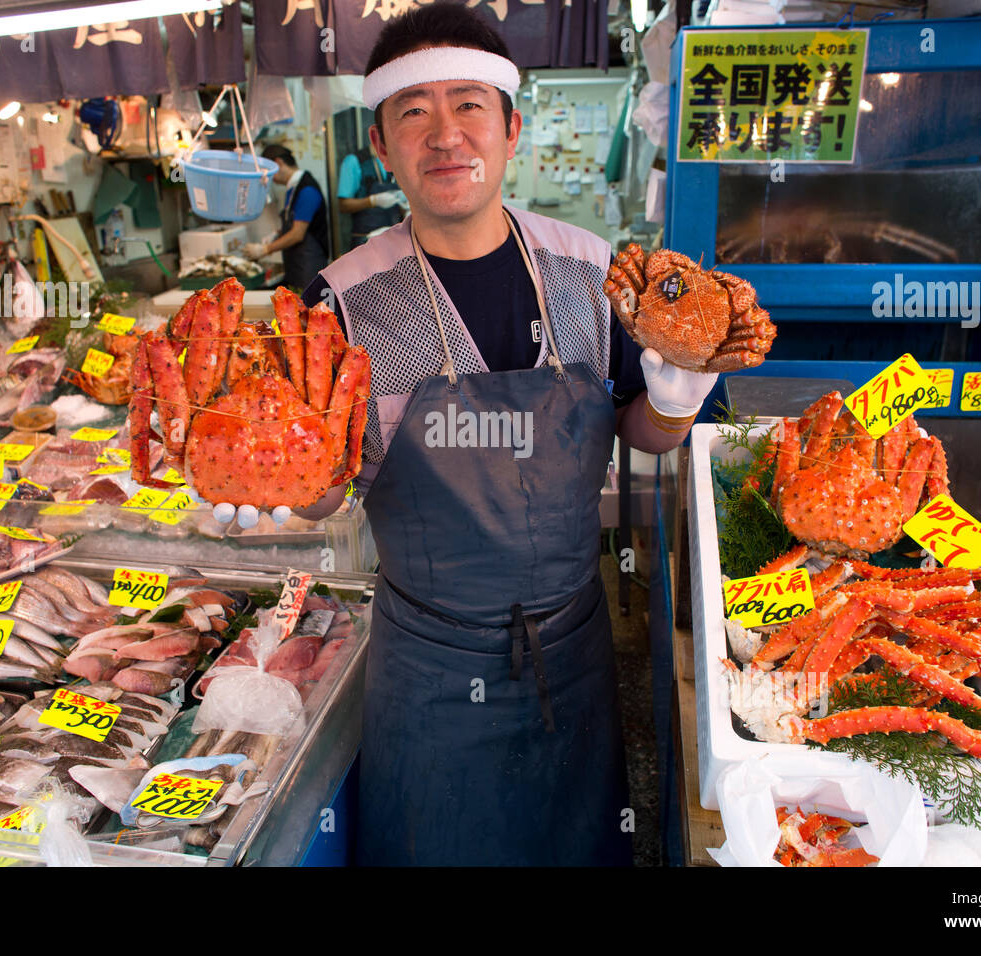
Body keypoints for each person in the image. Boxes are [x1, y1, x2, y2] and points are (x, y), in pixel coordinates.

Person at [296, 5, 718, 866]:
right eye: (413, 112)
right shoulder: (337, 307)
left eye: (469, 106)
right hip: (428, 666)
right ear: (381, 145)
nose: (444, 135)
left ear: (512, 127)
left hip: (575, 645)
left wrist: (677, 395)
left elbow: (644, 432)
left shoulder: (596, 273)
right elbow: (326, 494)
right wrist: (272, 487)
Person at [259, 144, 330, 293]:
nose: (268, 178)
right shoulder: (293, 188)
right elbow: (294, 222)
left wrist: (265, 250)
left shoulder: (307, 190)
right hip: (297, 267)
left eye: (267, 172)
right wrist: (278, 234)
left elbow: (298, 234)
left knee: (309, 312)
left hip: (309, 269)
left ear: (278, 163)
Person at [337, 141, 404, 247]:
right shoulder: (354, 161)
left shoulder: (395, 162)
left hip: (394, 239)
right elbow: (343, 205)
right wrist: (372, 201)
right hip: (365, 240)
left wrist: (406, 206)